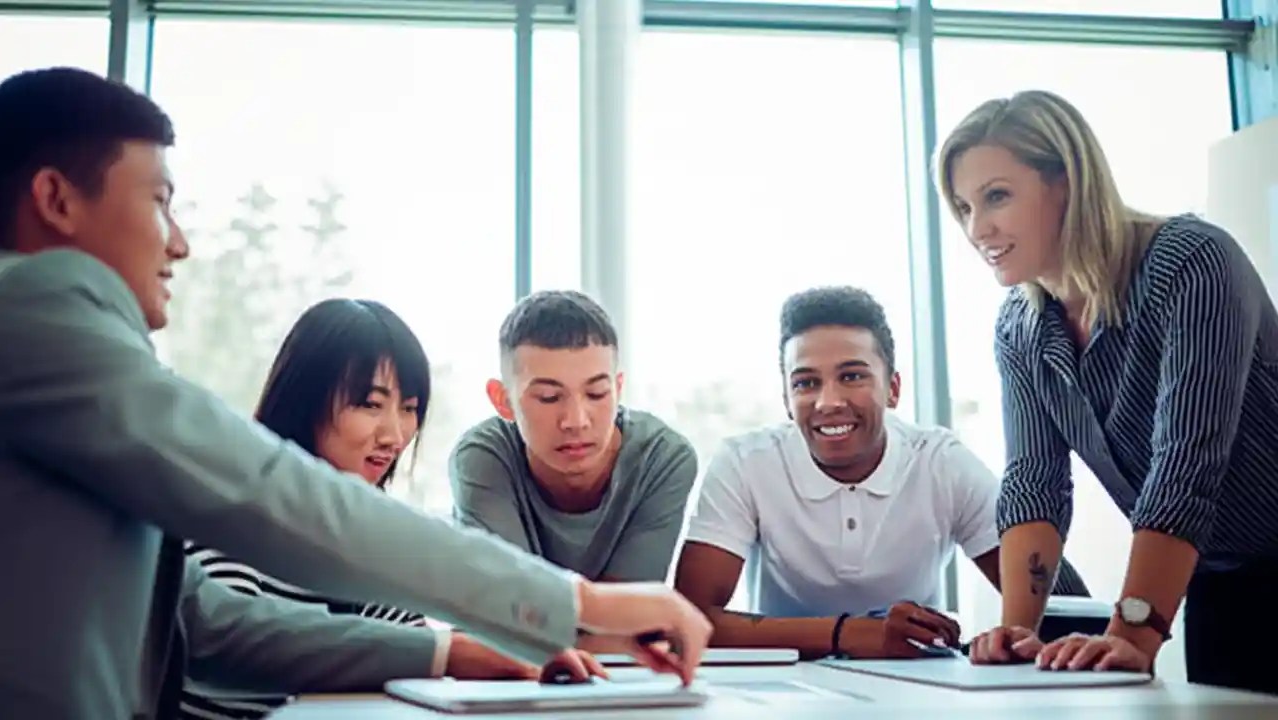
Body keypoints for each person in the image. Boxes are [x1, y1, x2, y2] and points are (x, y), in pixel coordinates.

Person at [0, 66, 710, 720]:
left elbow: (203, 622)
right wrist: (579, 601)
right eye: (159, 201)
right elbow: (276, 494)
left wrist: (449, 652)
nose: (179, 241)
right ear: (56, 198)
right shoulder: (31, 312)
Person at [935, 89, 1278, 694]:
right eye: (964, 206)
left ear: (1065, 182)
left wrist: (1133, 633)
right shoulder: (1020, 324)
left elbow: (1186, 463)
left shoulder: (1192, 262)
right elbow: (1035, 482)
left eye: (997, 196)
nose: (976, 228)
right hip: (1218, 577)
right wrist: (1018, 629)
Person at [181, 298, 605, 720]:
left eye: (408, 409)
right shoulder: (236, 514)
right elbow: (240, 651)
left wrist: (510, 659)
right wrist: (450, 653)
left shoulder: (371, 536)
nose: (395, 435)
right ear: (304, 398)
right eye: (370, 403)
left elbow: (406, 660)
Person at [674, 286, 1088, 660]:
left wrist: (1008, 637)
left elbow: (1069, 607)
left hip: (917, 686)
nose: (828, 402)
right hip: (787, 691)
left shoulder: (940, 462)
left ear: (893, 388)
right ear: (786, 398)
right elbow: (686, 621)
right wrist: (845, 634)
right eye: (805, 383)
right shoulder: (745, 463)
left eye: (852, 376)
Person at [450, 290, 697, 584]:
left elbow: (627, 619)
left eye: (596, 394)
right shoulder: (483, 457)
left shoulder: (663, 459)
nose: (576, 421)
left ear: (618, 389)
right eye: (549, 397)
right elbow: (508, 606)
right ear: (503, 400)